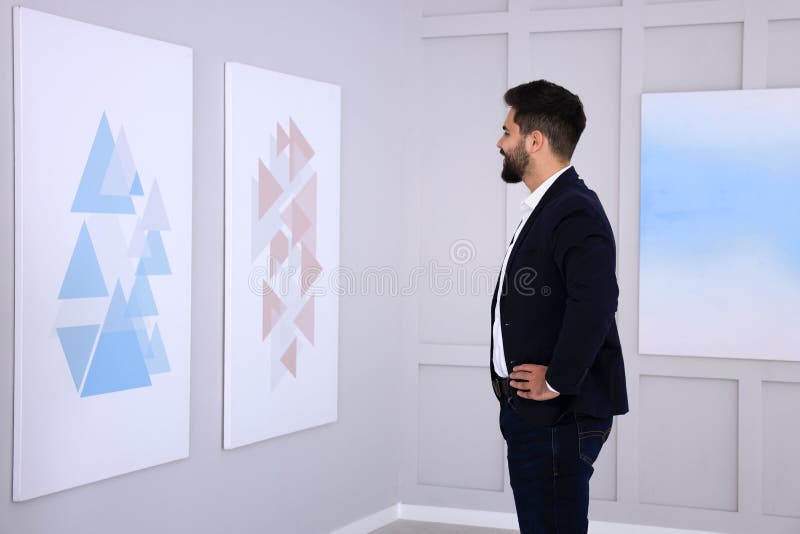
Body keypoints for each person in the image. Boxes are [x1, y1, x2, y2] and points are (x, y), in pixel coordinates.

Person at [490, 79, 629, 534]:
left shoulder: (573, 208)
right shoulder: (550, 206)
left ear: (535, 140)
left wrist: (557, 380)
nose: (500, 142)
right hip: (533, 412)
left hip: (558, 415)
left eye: (507, 131)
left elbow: (597, 301)